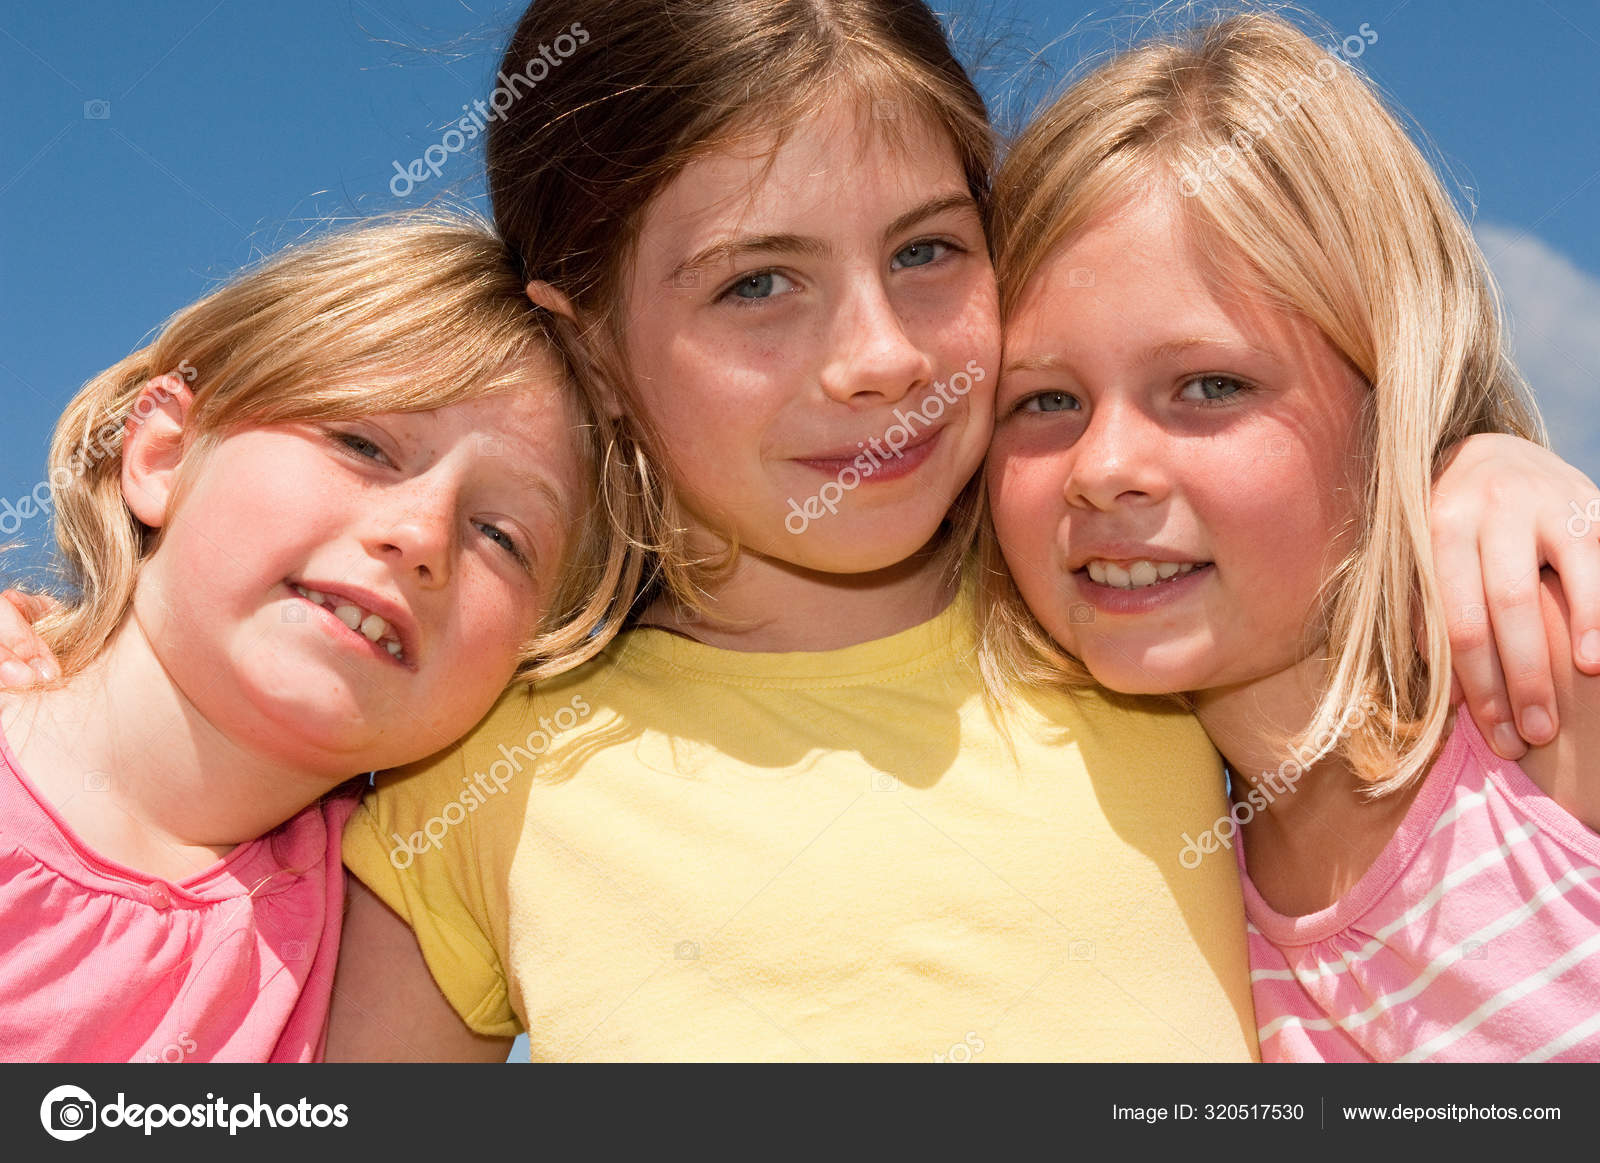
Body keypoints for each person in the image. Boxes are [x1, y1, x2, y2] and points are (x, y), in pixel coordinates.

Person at [321, 1, 1600, 1061]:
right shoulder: (474, 775)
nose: (878, 357)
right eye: (756, 282)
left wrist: (1468, 451)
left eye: (928, 250)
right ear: (589, 340)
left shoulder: (1111, 641)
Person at [982, 11, 1600, 1061]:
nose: (1103, 466)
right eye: (1041, 400)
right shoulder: (1172, 872)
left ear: (1392, 384)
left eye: (1209, 385)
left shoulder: (1542, 676)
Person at [0, 211, 628, 1061]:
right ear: (162, 453)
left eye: (503, 538)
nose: (421, 532)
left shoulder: (396, 939)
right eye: (363, 442)